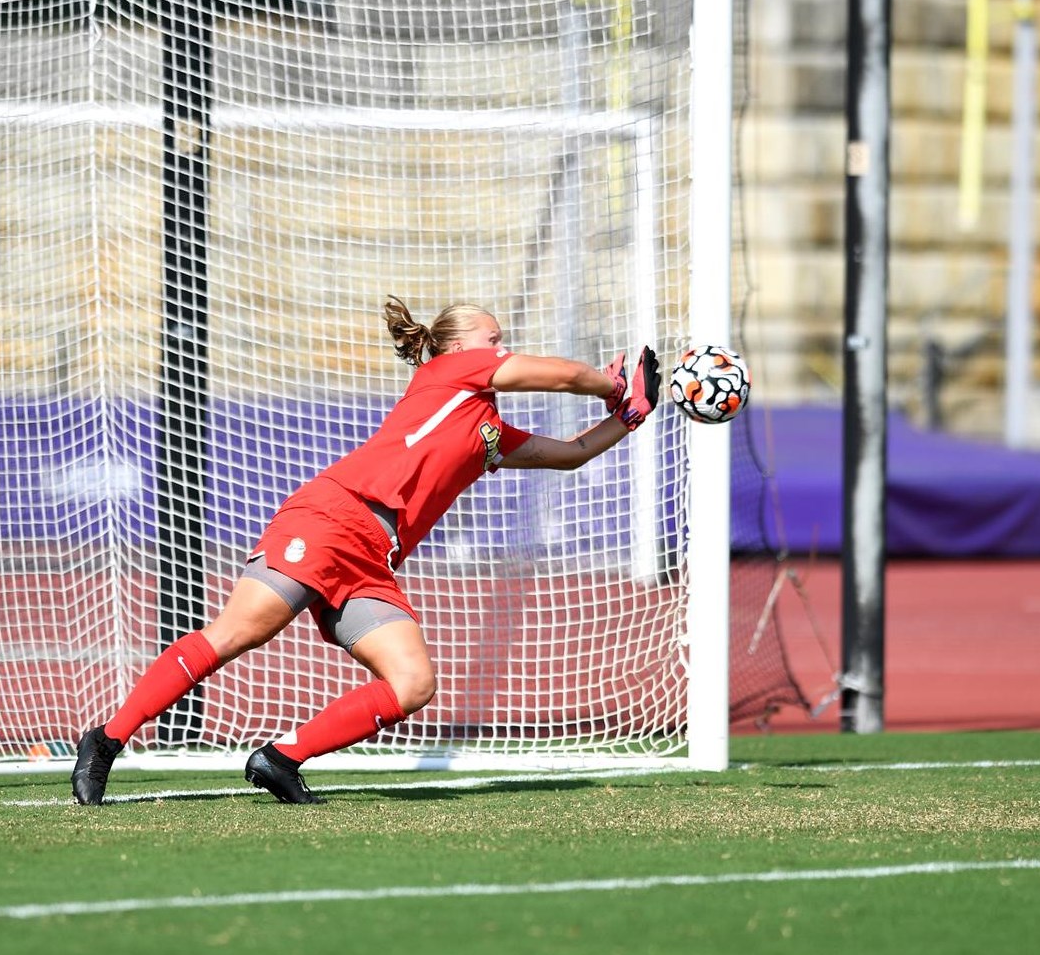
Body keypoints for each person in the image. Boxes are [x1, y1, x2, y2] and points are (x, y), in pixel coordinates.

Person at [72, 295, 660, 805]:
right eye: (493, 338)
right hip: (335, 516)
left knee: (412, 684)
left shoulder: (488, 432)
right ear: (457, 346)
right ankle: (109, 738)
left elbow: (572, 453)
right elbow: (557, 375)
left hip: (372, 558)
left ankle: (280, 759)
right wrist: (612, 383)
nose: (501, 347)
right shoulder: (450, 373)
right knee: (241, 632)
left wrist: (632, 414)